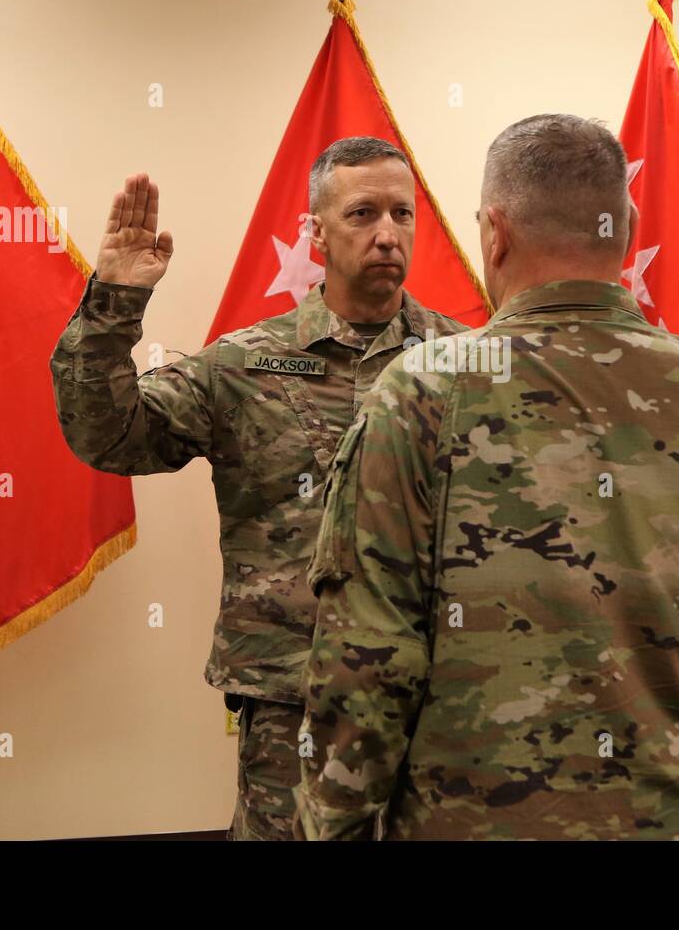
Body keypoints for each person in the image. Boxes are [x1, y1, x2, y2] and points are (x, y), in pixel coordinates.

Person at [294, 113, 679, 840]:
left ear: (494, 233)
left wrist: (329, 826)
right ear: (626, 226)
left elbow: (366, 665)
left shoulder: (422, 393)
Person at [49, 137, 468, 840]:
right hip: (292, 706)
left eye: (402, 213)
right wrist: (115, 304)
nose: (388, 233)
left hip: (438, 701)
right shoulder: (245, 365)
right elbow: (107, 436)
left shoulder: (465, 362)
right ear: (316, 232)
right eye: (363, 213)